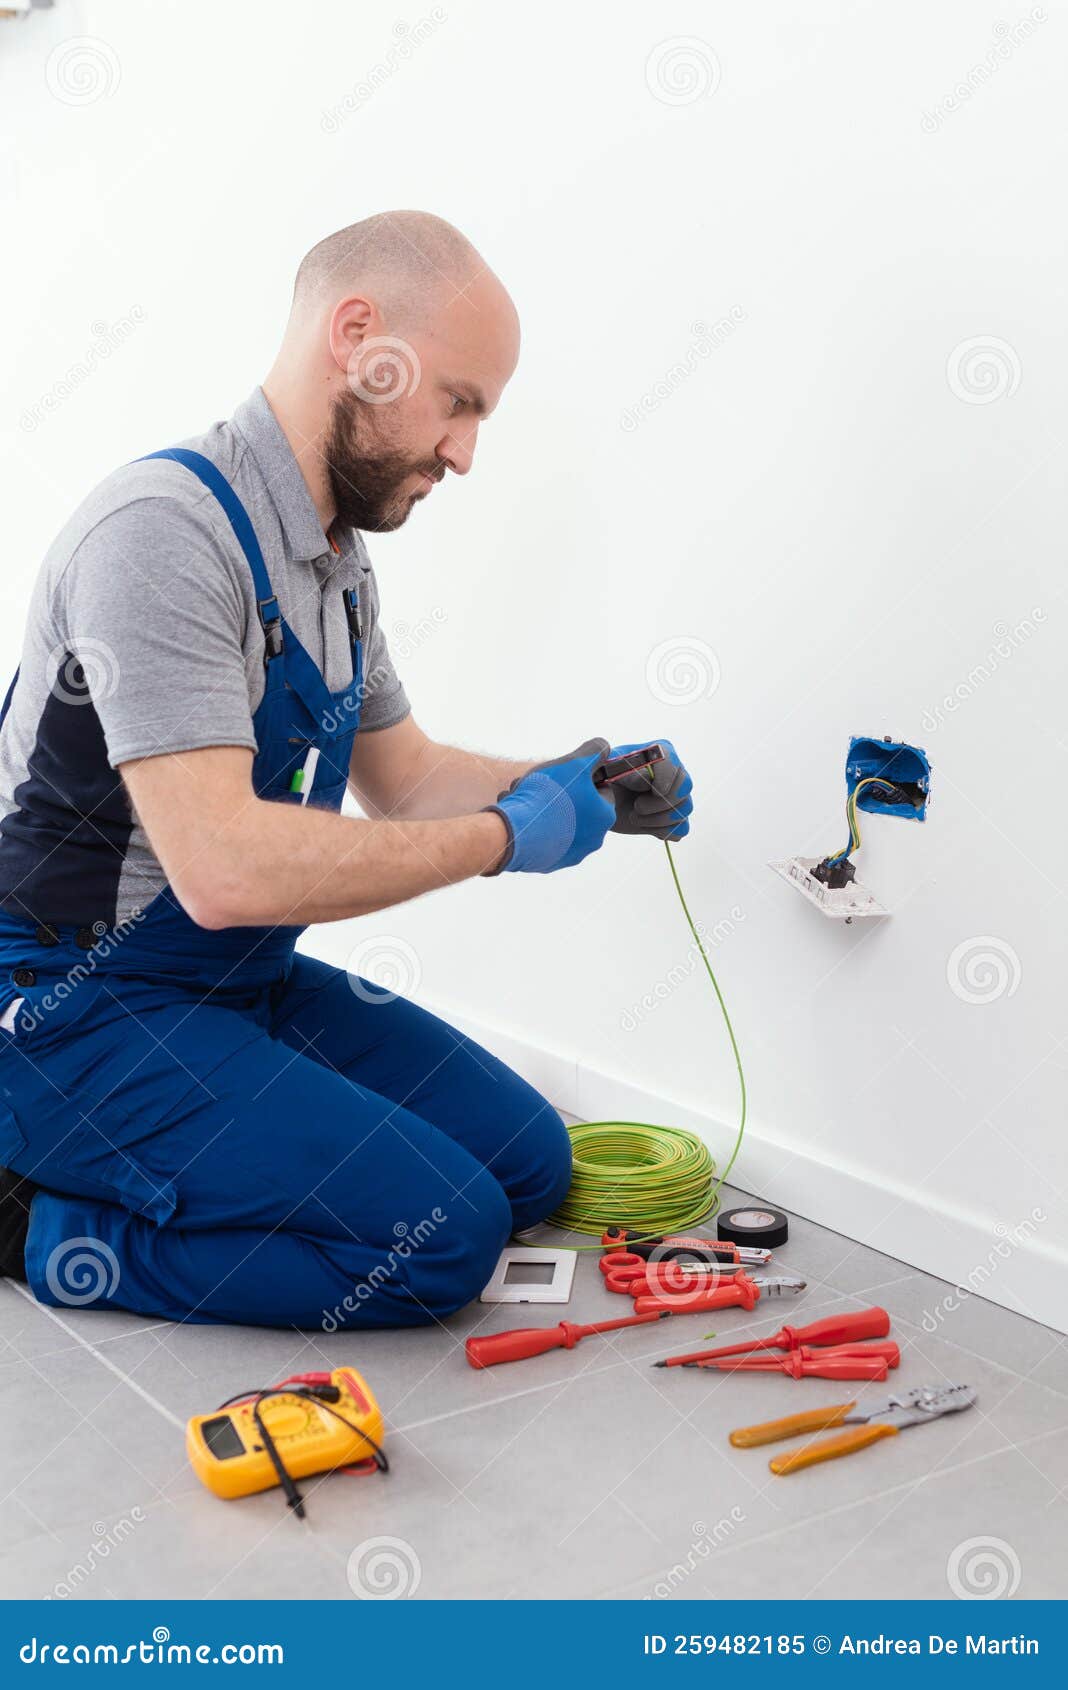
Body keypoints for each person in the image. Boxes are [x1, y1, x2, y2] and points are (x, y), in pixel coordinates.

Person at [0, 211, 693, 1330]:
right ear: (361, 337)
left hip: (234, 984)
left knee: (527, 1165)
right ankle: (34, 1222)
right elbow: (224, 870)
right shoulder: (162, 534)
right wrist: (512, 837)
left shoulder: (333, 561)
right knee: (442, 1239)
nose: (465, 451)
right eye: (460, 402)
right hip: (70, 1009)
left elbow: (406, 779)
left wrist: (585, 783)